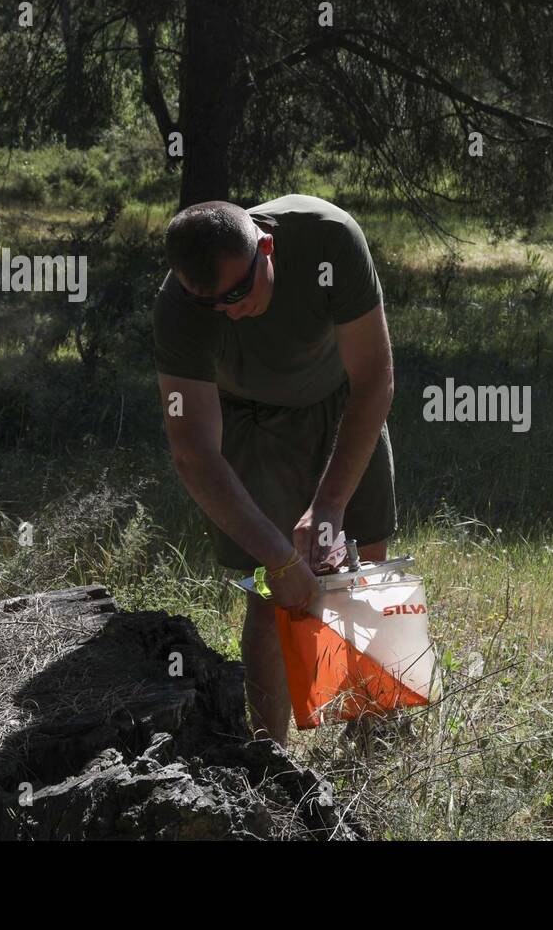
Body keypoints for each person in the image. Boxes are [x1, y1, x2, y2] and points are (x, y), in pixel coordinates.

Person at [153, 195, 397, 746]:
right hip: (250, 423)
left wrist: (330, 502)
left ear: (266, 248)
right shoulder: (180, 308)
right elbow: (194, 452)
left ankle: (371, 752)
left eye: (238, 292)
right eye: (211, 302)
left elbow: (375, 378)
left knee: (364, 574)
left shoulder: (328, 238)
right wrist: (280, 558)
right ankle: (272, 763)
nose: (229, 310)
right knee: (269, 595)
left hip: (341, 405)